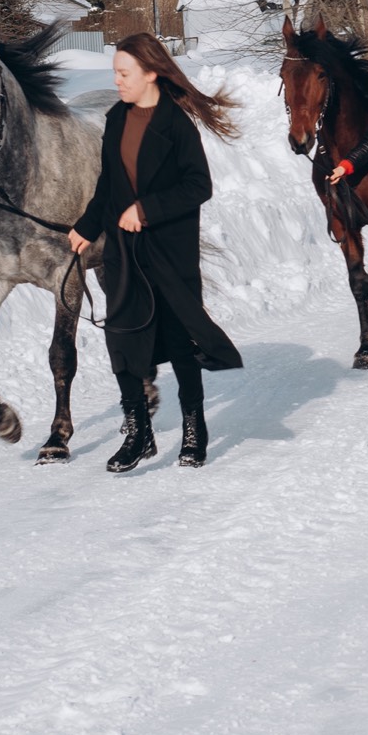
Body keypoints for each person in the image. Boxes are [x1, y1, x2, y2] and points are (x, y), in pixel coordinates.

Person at [68, 35, 242, 470]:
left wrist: (146, 209)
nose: (116, 80)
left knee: (180, 344)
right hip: (123, 253)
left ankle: (193, 426)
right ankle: (139, 432)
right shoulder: (116, 118)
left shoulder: (176, 125)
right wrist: (86, 227)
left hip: (168, 252)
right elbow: (108, 184)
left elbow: (199, 186)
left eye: (123, 73)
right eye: (115, 73)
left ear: (150, 73)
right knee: (122, 342)